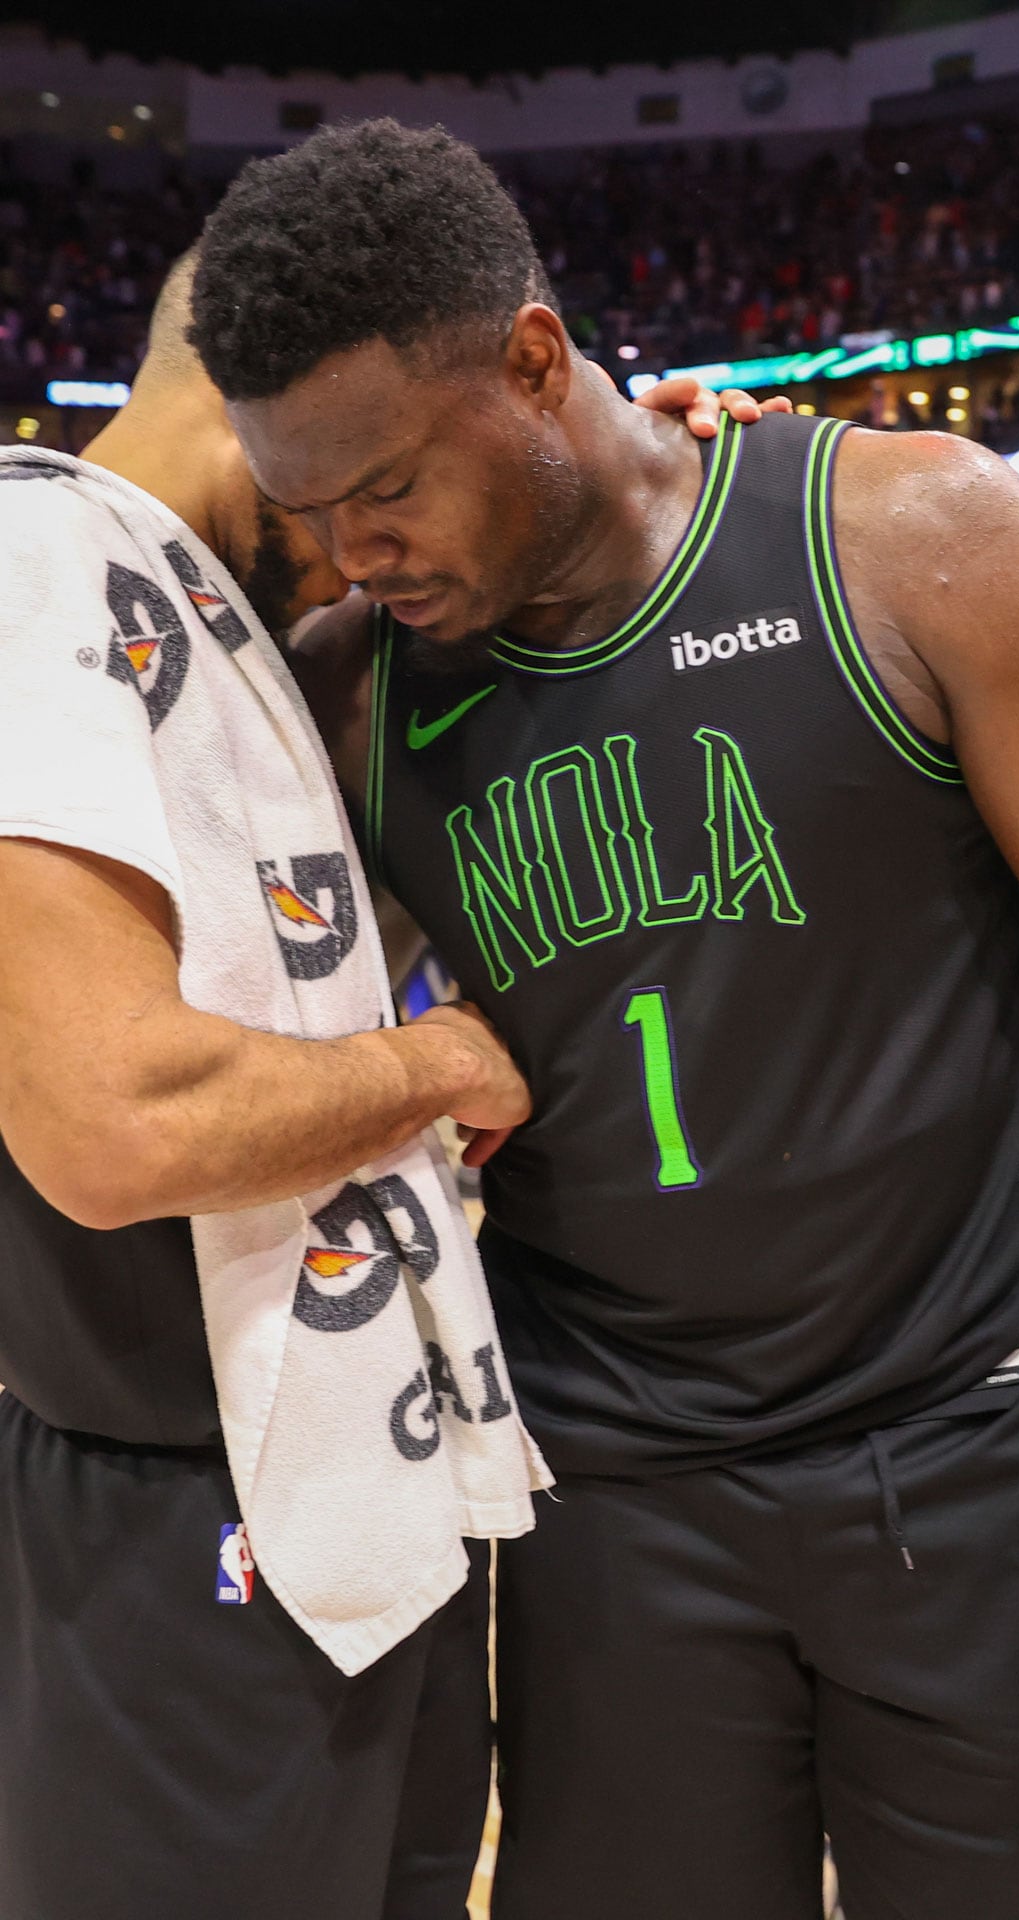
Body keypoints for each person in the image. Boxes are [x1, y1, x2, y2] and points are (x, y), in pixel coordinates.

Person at [191, 119, 1019, 1920]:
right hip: (610, 1490)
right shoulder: (355, 696)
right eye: (304, 511)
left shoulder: (909, 542)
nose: (351, 549)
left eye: (384, 486)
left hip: (974, 1443)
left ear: (533, 360)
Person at [0, 247, 768, 1920]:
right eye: (352, 486)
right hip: (181, 1496)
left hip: (358, 1478)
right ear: (265, 391)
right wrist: (437, 1061)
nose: (363, 546)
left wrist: (628, 498)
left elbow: (325, 948)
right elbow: (112, 1123)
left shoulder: (219, 615)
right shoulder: (33, 556)